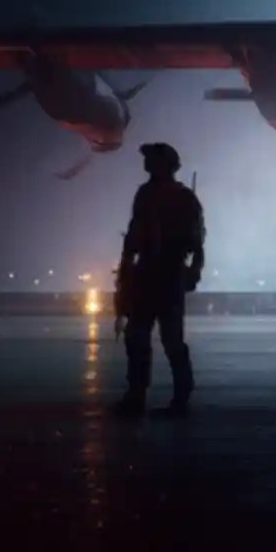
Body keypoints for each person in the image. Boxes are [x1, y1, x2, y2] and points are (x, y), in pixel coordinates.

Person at [112, 143, 205, 418]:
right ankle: (137, 394)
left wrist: (193, 271)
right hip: (148, 274)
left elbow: (197, 240)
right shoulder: (145, 195)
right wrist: (126, 268)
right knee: (137, 337)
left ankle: (180, 395)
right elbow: (133, 234)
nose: (147, 164)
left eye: (152, 159)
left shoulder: (182, 198)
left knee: (170, 339)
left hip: (167, 272)